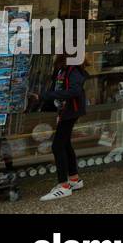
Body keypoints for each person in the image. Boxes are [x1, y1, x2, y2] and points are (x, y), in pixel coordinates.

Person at [39, 54, 88, 201]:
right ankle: (74, 180)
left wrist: (49, 95)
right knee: (65, 144)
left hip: (70, 111)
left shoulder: (74, 70)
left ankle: (64, 186)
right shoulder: (64, 69)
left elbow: (75, 91)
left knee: (57, 146)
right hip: (65, 110)